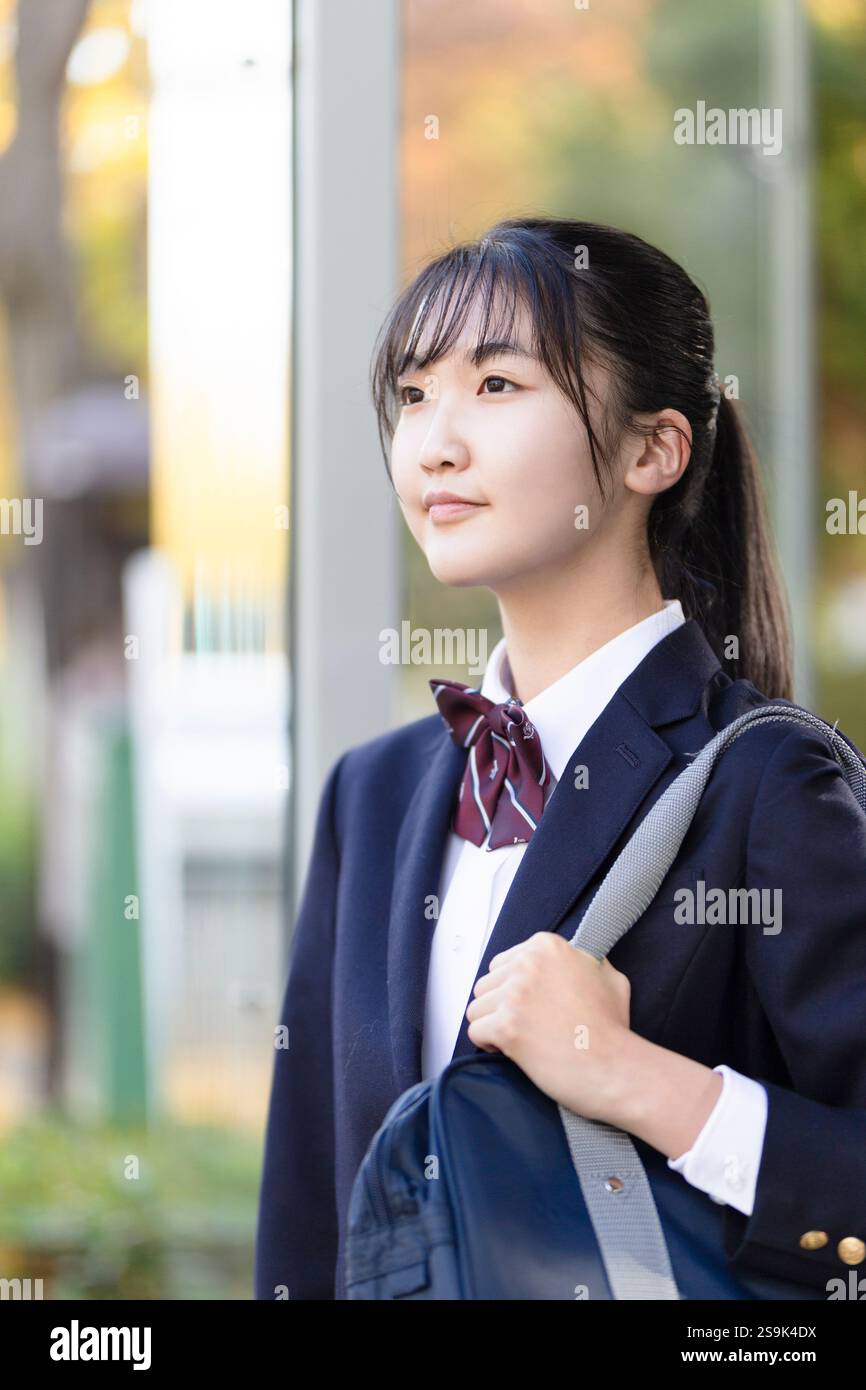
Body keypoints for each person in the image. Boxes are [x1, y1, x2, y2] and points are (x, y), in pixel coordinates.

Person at [254, 217, 866, 1300]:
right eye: (411, 394)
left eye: (495, 385)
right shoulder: (375, 792)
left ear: (651, 451)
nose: (434, 440)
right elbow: (310, 1213)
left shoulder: (767, 787)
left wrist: (632, 1078)